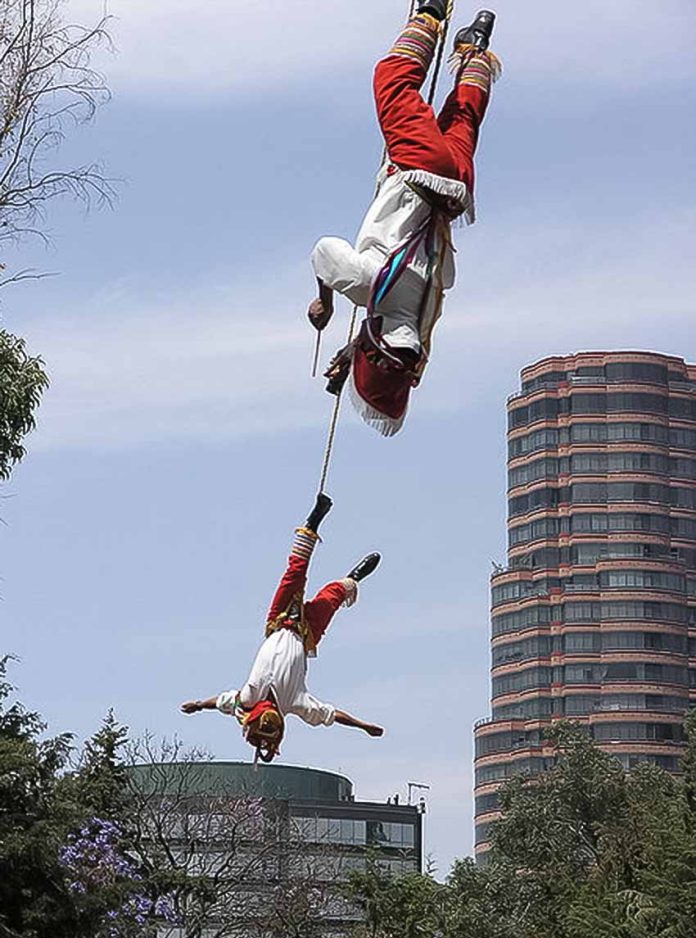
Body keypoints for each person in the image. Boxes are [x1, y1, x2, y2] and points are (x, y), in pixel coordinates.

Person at [307, 3, 501, 436]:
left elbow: (396, 343)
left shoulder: (422, 319)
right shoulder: (369, 286)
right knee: (392, 82)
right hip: (420, 170)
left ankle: (475, 49)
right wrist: (327, 301)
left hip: (456, 189)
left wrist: (349, 353)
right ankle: (430, 14)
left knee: (462, 117)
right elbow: (323, 252)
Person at [180, 494, 383, 763]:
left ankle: (313, 521)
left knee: (295, 573)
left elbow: (219, 703)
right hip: (306, 632)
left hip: (279, 621)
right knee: (332, 597)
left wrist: (197, 705)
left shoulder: (247, 699)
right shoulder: (295, 702)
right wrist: (363, 726)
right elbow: (331, 715)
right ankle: (353, 578)